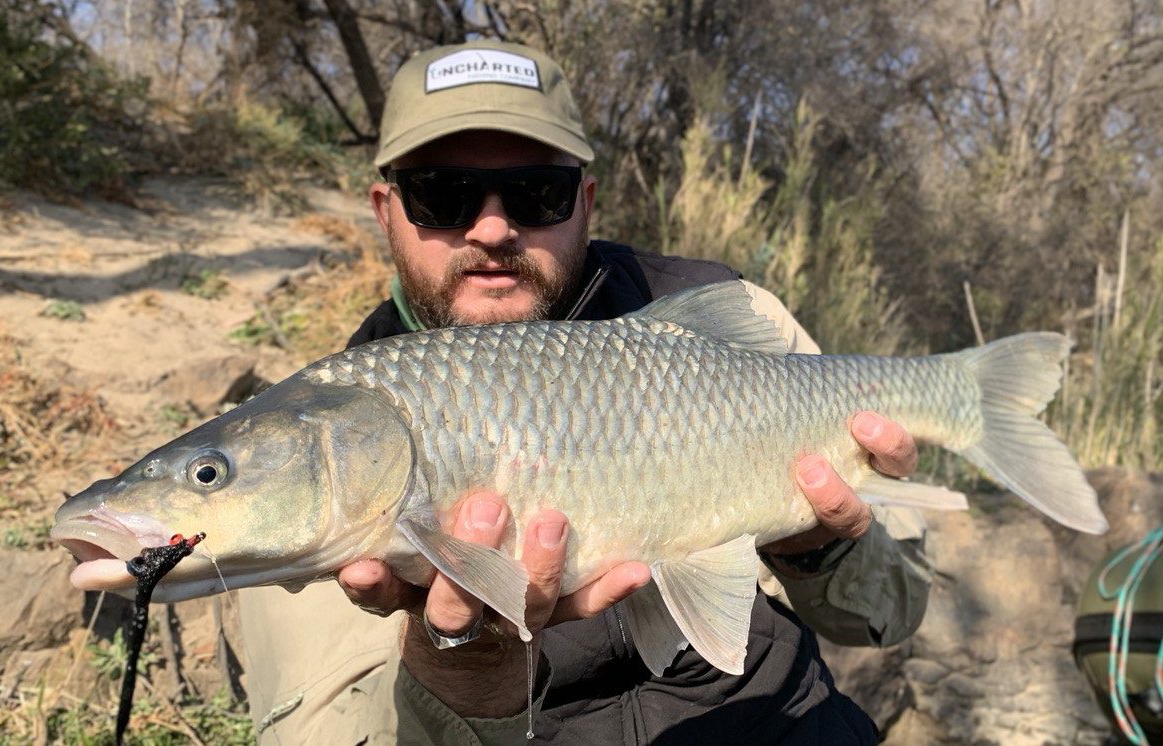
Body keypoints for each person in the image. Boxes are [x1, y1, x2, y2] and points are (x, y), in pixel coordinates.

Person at [238, 39, 930, 745]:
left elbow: (889, 616)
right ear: (387, 211)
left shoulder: (723, 310)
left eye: (540, 192)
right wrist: (469, 667)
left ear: (585, 201)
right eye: (440, 195)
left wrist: (817, 546)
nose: (493, 228)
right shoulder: (327, 439)